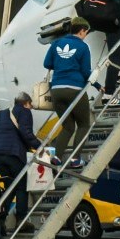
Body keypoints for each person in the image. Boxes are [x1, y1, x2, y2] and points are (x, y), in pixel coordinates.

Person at [0, 91, 43, 238]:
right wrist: (40, 146)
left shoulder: (2, 113)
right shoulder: (24, 112)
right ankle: (21, 221)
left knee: (9, 187)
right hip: (13, 154)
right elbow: (26, 132)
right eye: (30, 105)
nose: (31, 108)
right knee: (22, 186)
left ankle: (1, 220)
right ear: (25, 103)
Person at [44, 18, 94, 167]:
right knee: (84, 124)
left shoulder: (56, 43)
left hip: (57, 90)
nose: (86, 35)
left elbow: (47, 64)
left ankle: (57, 157)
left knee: (67, 126)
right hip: (75, 89)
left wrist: (61, 64)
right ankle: (75, 159)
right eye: (86, 32)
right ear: (82, 30)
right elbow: (86, 71)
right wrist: (97, 85)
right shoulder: (83, 47)